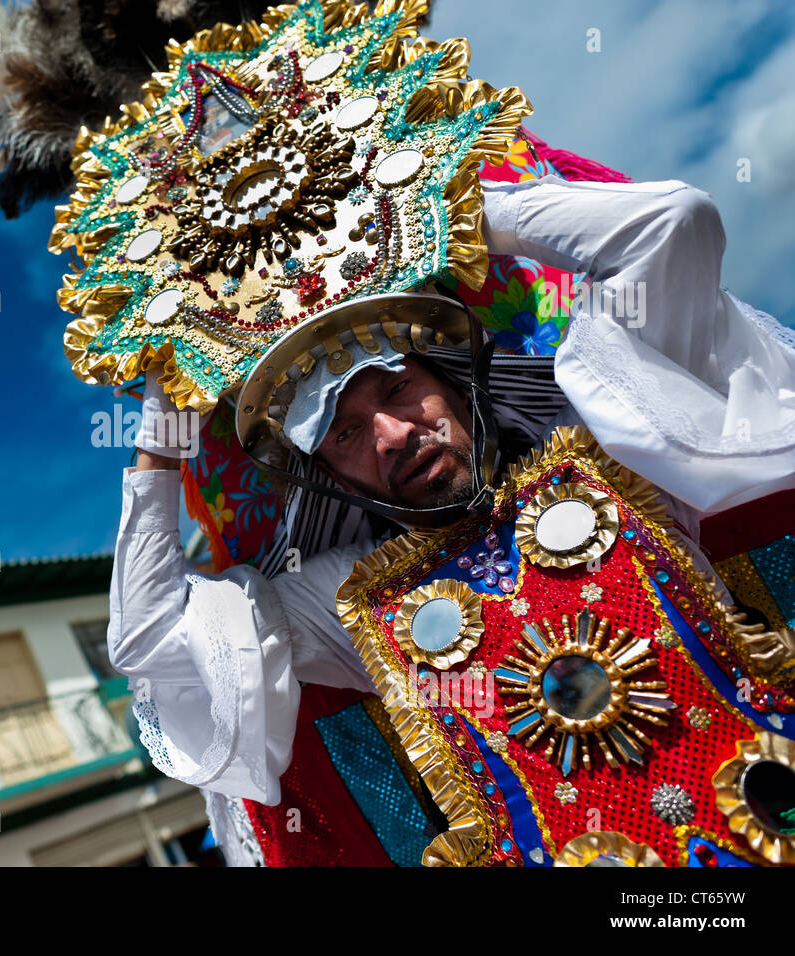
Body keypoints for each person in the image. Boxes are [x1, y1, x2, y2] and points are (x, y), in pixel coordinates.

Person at [108, 174, 795, 864]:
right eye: (344, 434)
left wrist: (433, 211)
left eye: (399, 389)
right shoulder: (354, 599)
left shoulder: (612, 448)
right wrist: (165, 411)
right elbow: (150, 638)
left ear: (454, 382)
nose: (391, 433)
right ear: (331, 478)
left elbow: (673, 223)